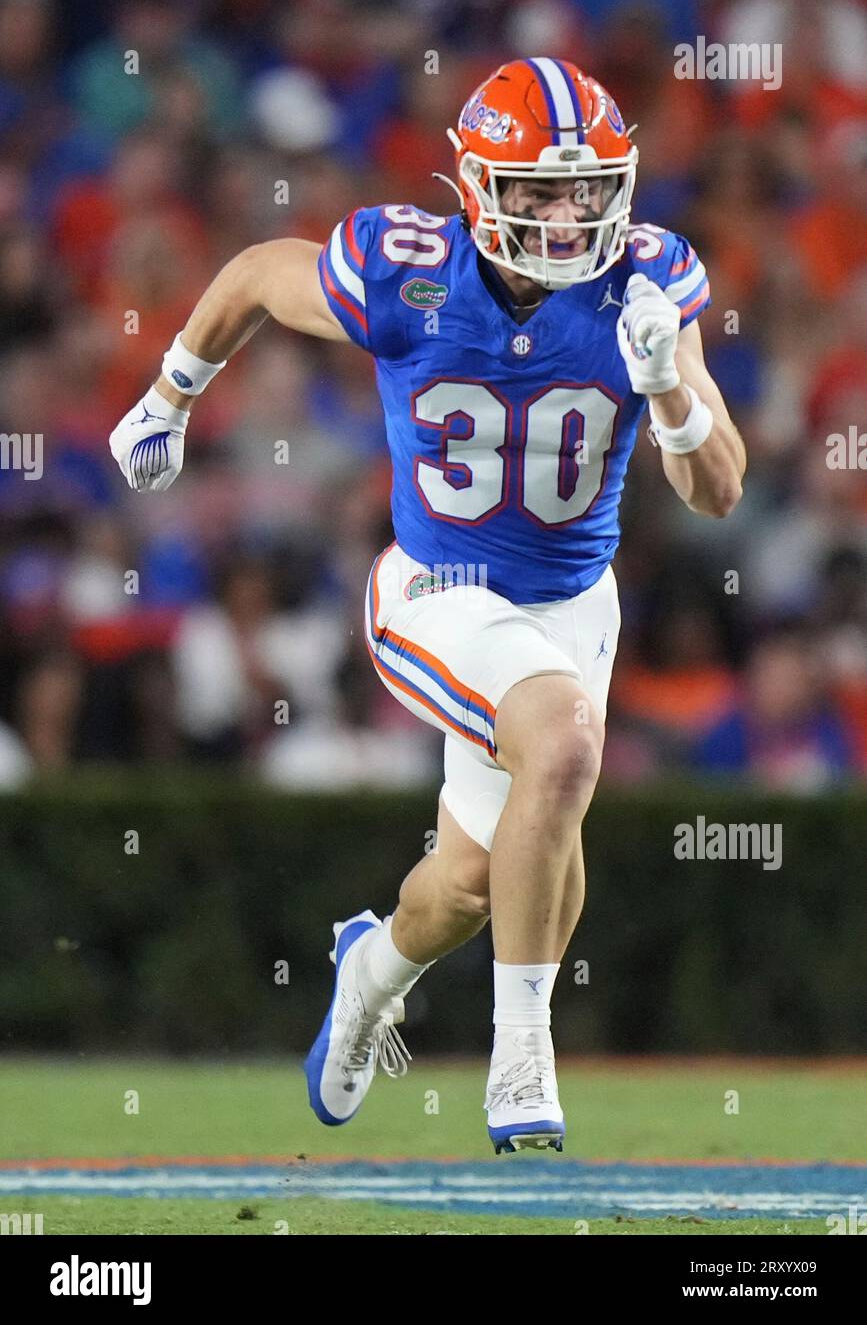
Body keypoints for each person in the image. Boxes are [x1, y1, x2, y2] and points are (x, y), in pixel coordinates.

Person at [109, 58, 746, 1154]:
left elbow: (720, 487)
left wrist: (672, 387)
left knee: (464, 886)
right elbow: (265, 269)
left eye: (587, 188)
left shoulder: (647, 286)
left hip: (571, 606)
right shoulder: (410, 275)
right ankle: (522, 1056)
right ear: (478, 189)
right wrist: (170, 390)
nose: (570, 214)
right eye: (540, 193)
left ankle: (370, 971)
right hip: (439, 588)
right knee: (565, 742)